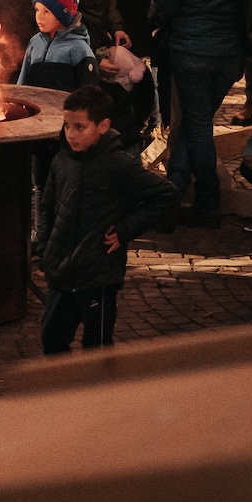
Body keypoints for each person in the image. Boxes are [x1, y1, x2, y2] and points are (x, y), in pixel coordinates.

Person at [32, 84, 182, 355]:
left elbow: (166, 194)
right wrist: (44, 246)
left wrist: (126, 229)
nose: (70, 135)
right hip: (61, 270)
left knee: (97, 347)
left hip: (97, 275)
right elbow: (47, 203)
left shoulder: (118, 165)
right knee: (52, 340)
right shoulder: (61, 161)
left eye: (80, 127)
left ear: (102, 126)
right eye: (67, 126)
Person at [151, 0, 252, 226]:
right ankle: (174, 189)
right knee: (196, 124)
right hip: (229, 56)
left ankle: (206, 199)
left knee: (196, 126)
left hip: (191, 53)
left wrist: (156, 18)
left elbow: (165, 4)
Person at [20, 0, 98, 93]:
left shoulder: (79, 48)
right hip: (34, 109)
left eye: (46, 11)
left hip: (62, 110)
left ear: (63, 14)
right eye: (37, 10)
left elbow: (89, 95)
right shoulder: (35, 41)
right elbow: (23, 79)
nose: (39, 16)